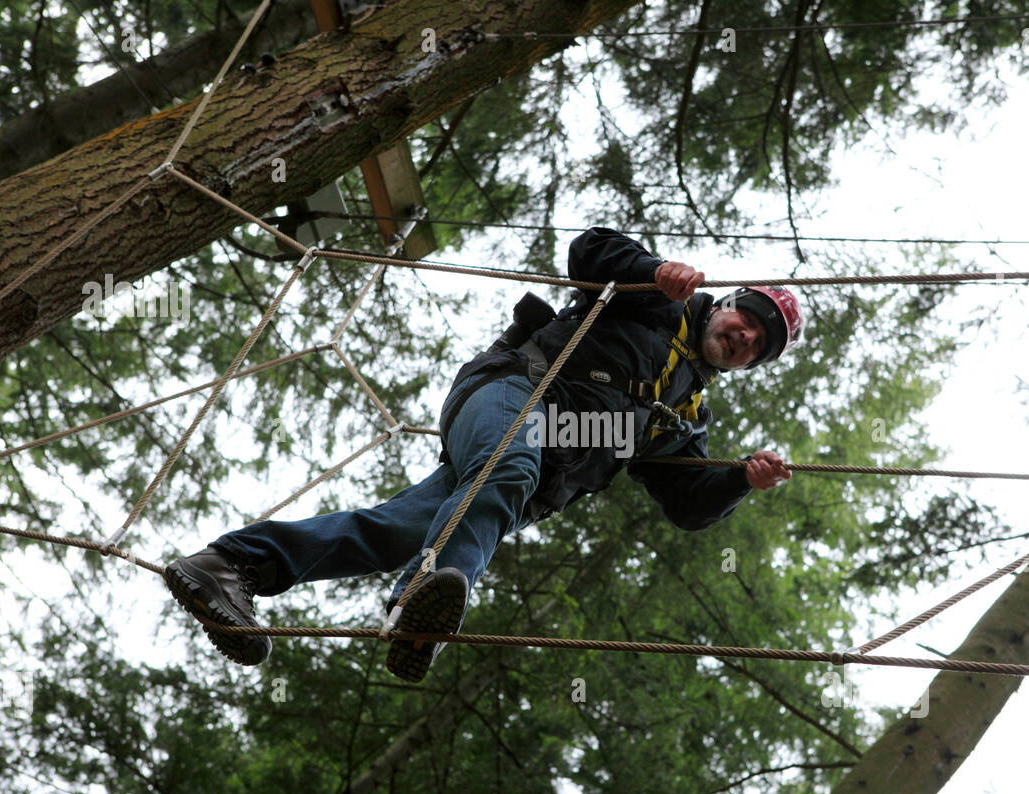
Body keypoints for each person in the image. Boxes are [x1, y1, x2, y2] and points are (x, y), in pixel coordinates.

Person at [164, 227, 800, 681]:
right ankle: (425, 598)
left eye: (756, 347)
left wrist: (740, 479)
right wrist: (651, 270)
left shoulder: (686, 416)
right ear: (726, 303)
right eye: (746, 320)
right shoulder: (656, 299)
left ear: (751, 363)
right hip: (512, 393)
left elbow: (688, 503)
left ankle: (228, 567)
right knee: (506, 471)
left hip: (533, 476)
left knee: (400, 532)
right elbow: (589, 251)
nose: (744, 337)